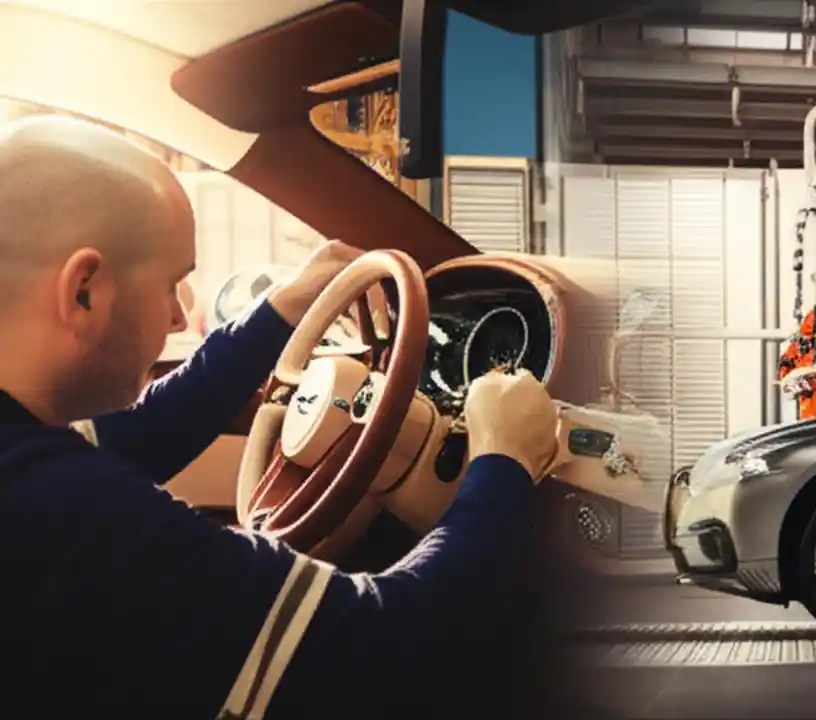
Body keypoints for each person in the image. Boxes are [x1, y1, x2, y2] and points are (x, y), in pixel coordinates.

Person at [0, 116, 561, 717]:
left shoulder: (31, 465)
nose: (174, 318)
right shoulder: (58, 512)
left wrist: (282, 309)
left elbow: (134, 439)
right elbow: (390, 642)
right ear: (84, 290)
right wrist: (502, 461)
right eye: (171, 285)